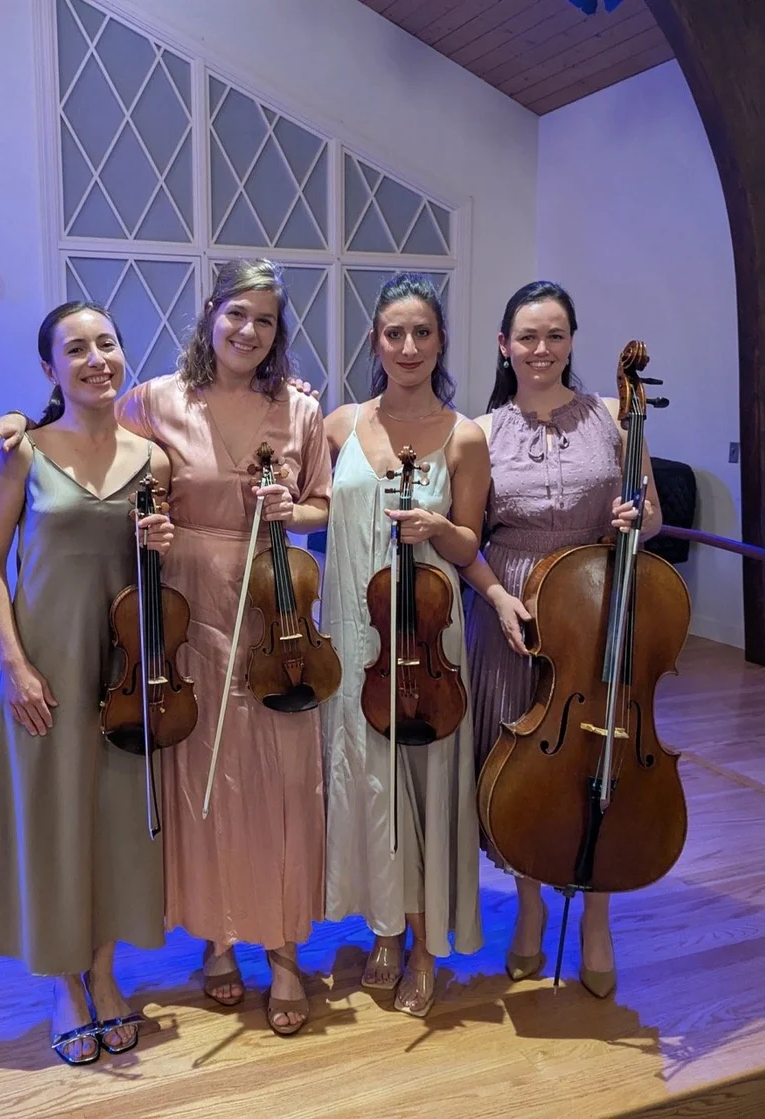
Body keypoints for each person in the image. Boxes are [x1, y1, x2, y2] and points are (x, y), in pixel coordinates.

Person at [0, 259, 331, 1036]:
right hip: (155, 622)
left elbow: (318, 505)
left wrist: (285, 509)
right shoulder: (153, 403)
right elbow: (72, 423)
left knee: (263, 783)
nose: (248, 330)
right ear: (210, 314)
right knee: (179, 785)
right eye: (236, 313)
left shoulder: (287, 411)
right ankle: (197, 945)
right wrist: (11, 418)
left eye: (265, 319)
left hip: (244, 615)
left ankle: (272, 949)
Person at [0, 301, 173, 1065]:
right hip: (46, 664)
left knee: (118, 818)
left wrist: (162, 542)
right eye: (77, 348)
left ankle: (105, 970)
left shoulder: (153, 461)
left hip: (124, 665)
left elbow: (152, 573)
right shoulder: (21, 451)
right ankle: (63, 982)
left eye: (107, 344)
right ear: (50, 368)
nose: (97, 359)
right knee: (54, 817)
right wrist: (14, 665)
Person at [461, 280, 662, 999]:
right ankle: (530, 903)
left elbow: (652, 514)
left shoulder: (614, 416)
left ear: (572, 340)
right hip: (514, 607)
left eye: (555, 335)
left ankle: (597, 918)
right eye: (527, 336)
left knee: (598, 759)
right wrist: (498, 599)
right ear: (504, 345)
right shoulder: (481, 431)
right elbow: (467, 538)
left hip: (599, 602)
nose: (541, 349)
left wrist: (636, 519)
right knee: (521, 760)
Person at [320, 273, 490, 1017]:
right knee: (368, 780)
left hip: (425, 634)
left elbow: (470, 544)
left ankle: (424, 945)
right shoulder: (339, 425)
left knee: (424, 779)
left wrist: (439, 528)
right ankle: (384, 928)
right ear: (375, 342)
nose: (409, 346)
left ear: (441, 341)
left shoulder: (466, 435)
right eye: (395, 333)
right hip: (357, 632)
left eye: (423, 332)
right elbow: (313, 508)